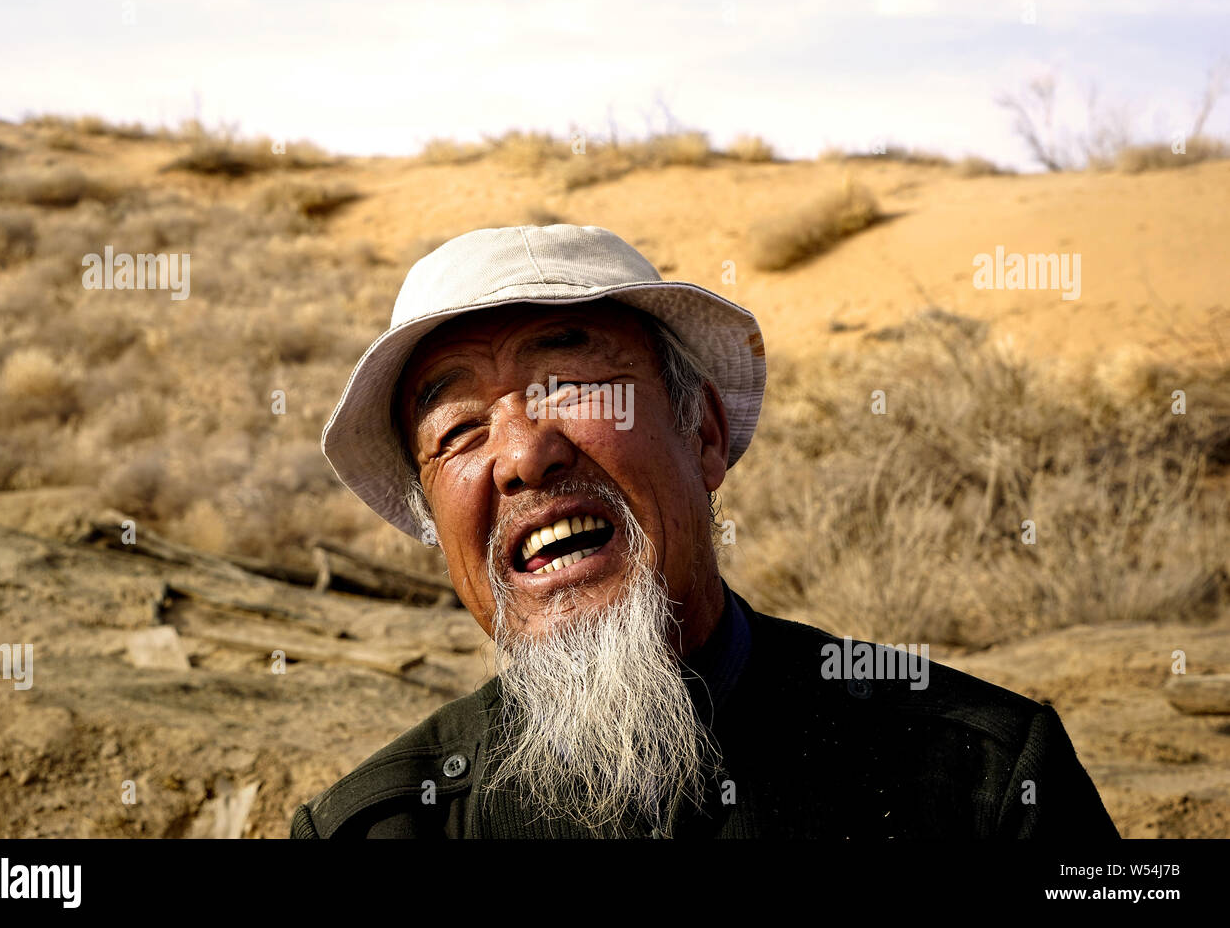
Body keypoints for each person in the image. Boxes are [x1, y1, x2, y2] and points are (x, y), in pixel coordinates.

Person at [290, 224, 1118, 839]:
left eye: (573, 385)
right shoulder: (375, 830)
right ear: (436, 523)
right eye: (460, 430)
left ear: (705, 436)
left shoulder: (985, 781)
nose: (522, 456)